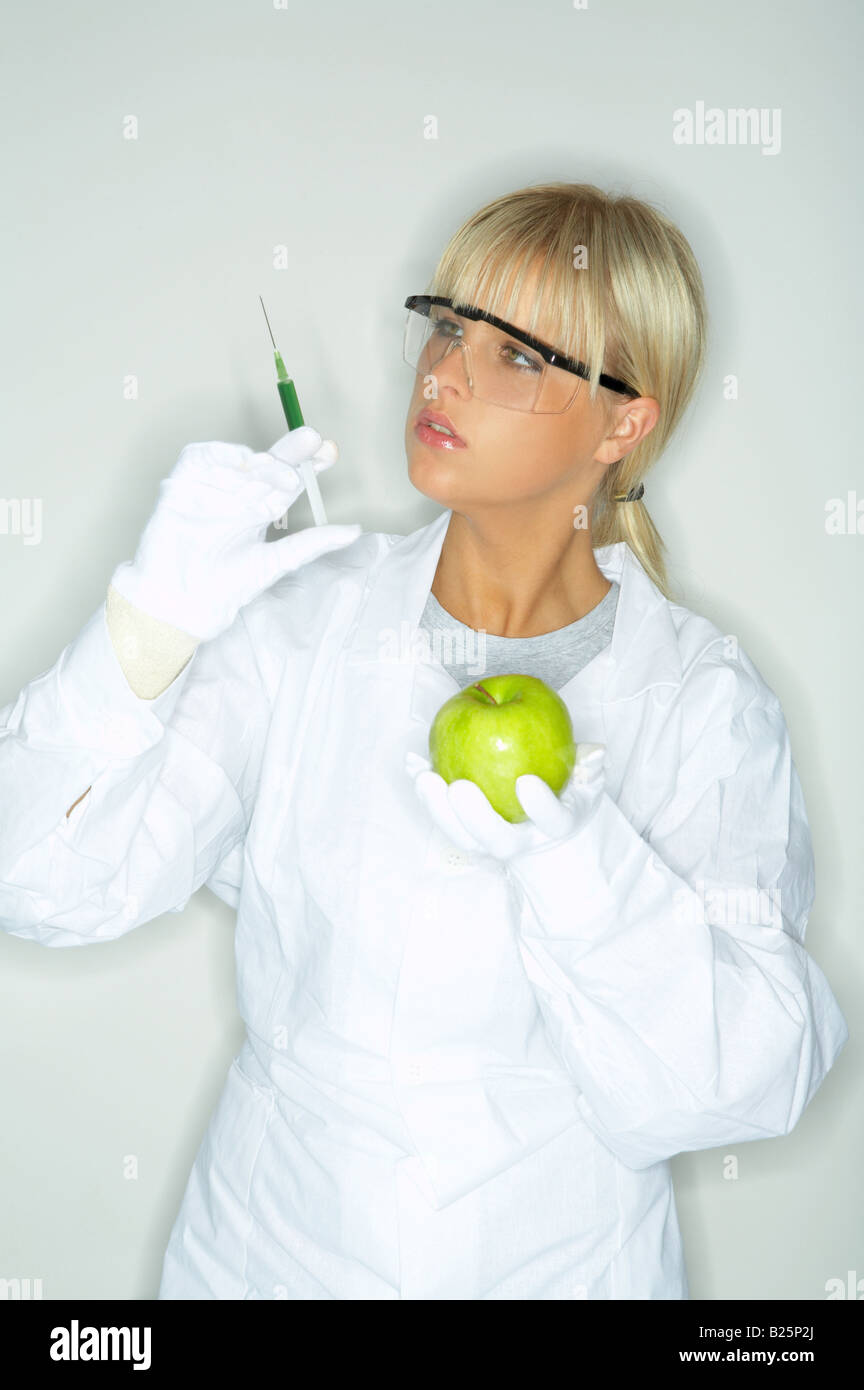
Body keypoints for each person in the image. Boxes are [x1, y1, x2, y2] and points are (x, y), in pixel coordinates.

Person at [0, 182, 848, 1301]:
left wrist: (576, 863)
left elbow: (736, 1086)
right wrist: (141, 637)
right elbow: (41, 885)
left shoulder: (702, 702)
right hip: (268, 1261)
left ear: (624, 422)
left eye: (518, 357)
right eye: (449, 326)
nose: (443, 372)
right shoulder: (300, 623)